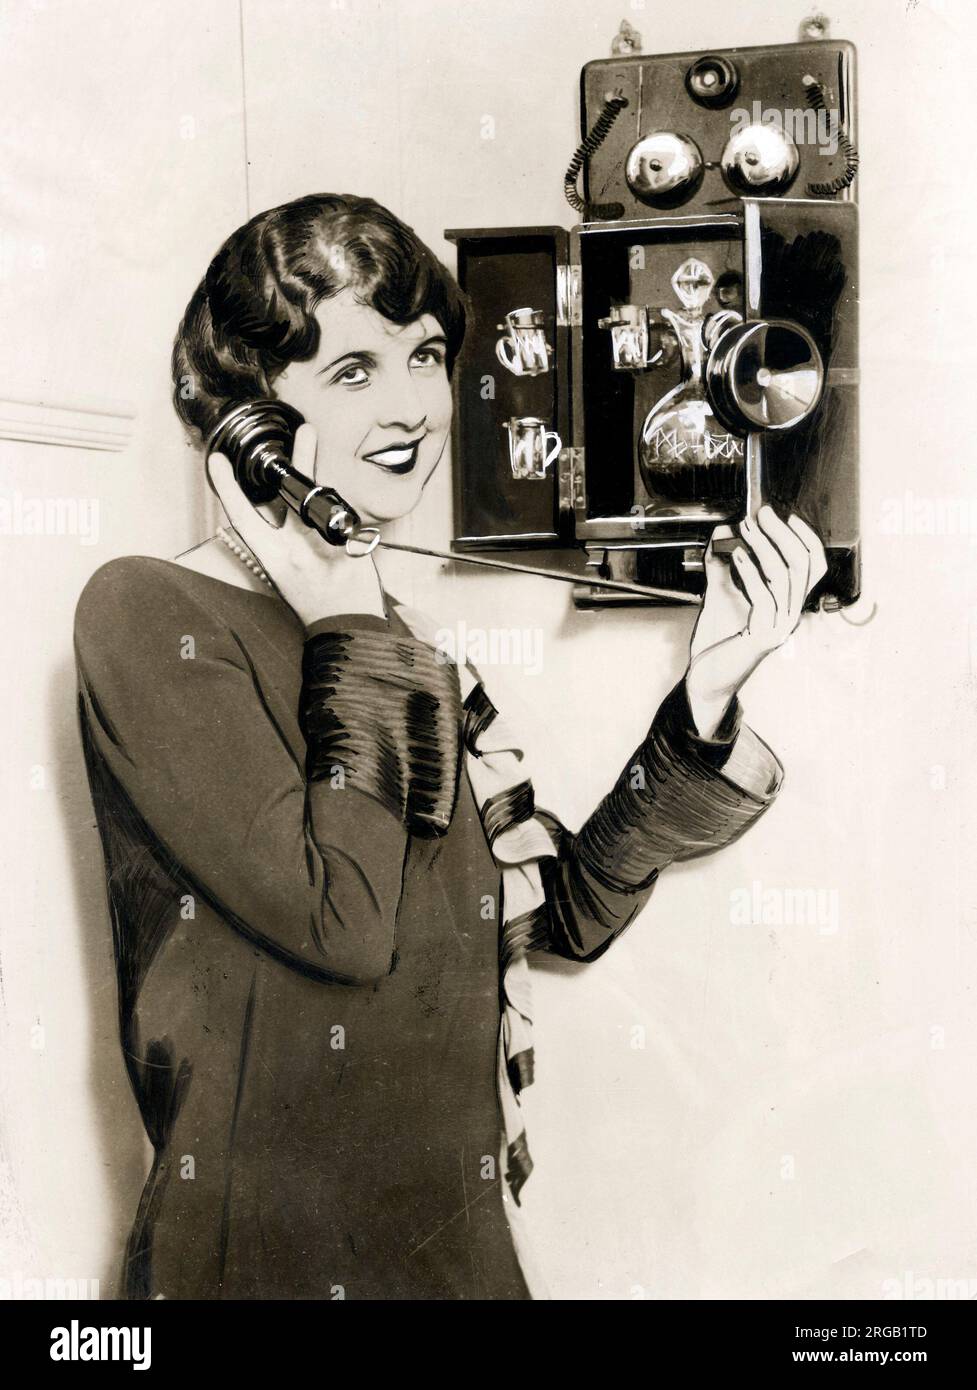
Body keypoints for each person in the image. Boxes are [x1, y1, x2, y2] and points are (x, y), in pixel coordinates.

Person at [74, 192, 826, 1300]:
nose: (412, 408)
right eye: (352, 371)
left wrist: (705, 687)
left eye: (423, 357)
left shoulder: (397, 647)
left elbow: (554, 912)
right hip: (257, 1261)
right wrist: (341, 608)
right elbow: (343, 923)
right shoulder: (149, 616)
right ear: (251, 425)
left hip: (452, 1251)